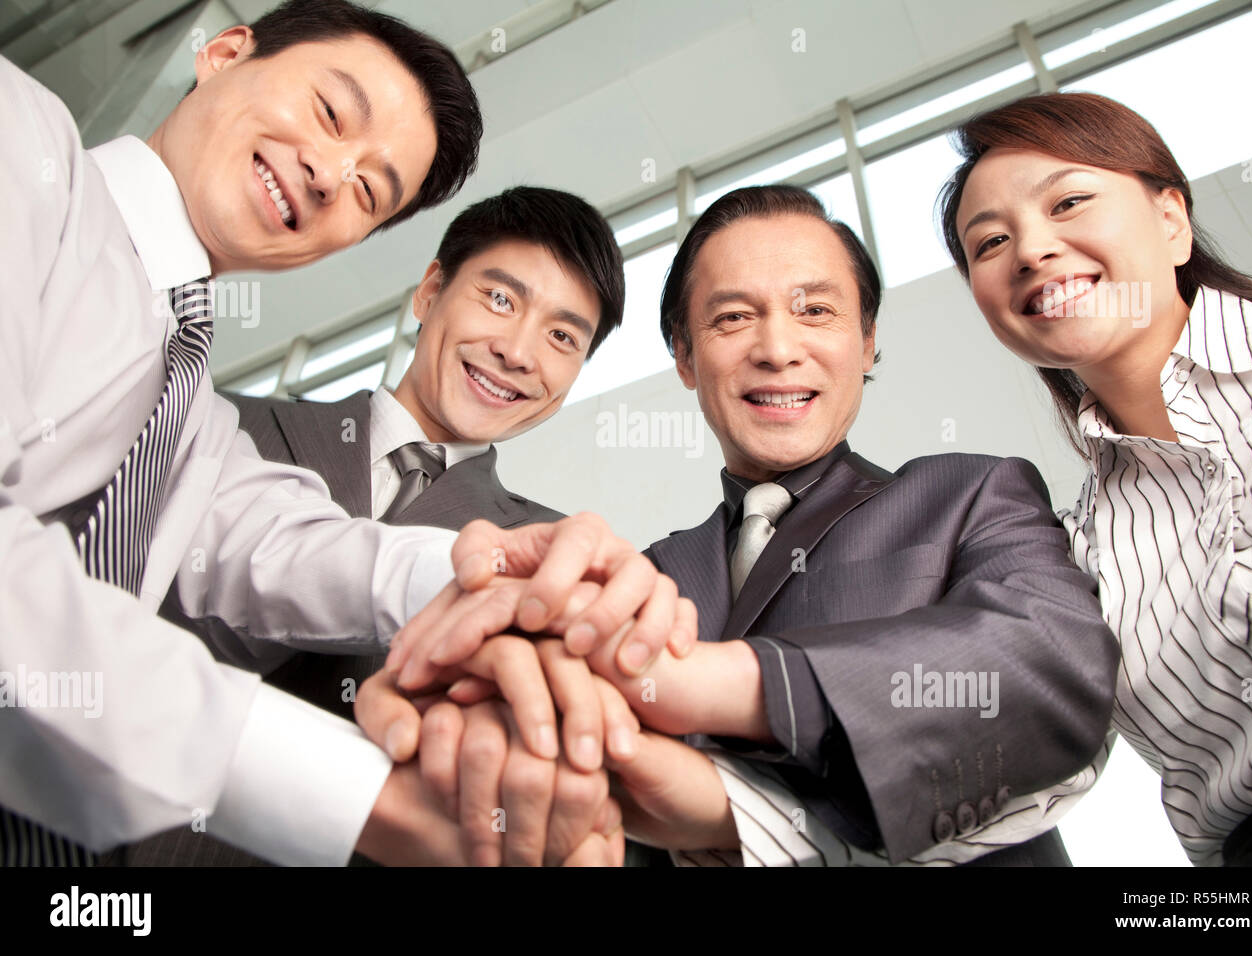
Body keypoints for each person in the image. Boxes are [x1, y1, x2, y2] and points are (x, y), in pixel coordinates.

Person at [0, 0, 685, 868]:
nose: (329, 176)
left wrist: (486, 573)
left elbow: (280, 544)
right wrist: (369, 802)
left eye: (368, 190)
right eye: (331, 113)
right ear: (223, 51)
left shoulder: (190, 415)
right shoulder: (16, 140)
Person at [377, 185, 1121, 865]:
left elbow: (1048, 666)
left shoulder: (970, 493)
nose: (776, 348)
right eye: (733, 318)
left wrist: (732, 685)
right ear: (685, 358)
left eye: (815, 310)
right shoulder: (641, 578)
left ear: (866, 343)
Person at [127, 184, 636, 865]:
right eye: (500, 299)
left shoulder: (549, 559)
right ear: (430, 291)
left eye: (561, 337)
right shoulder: (219, 426)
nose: (518, 350)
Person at [938, 91, 1252, 866]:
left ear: (1172, 218)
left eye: (1068, 201)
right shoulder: (1077, 553)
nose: (1032, 251)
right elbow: (1006, 776)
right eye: (990, 242)